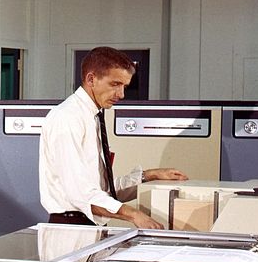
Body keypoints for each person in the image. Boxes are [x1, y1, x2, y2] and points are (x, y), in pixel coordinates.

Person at [39, 46, 188, 229]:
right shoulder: (67, 118)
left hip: (88, 226)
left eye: (124, 86)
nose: (121, 95)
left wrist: (148, 176)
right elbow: (80, 194)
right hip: (70, 227)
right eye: (115, 84)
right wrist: (133, 214)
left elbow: (102, 190)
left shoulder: (93, 116)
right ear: (91, 79)